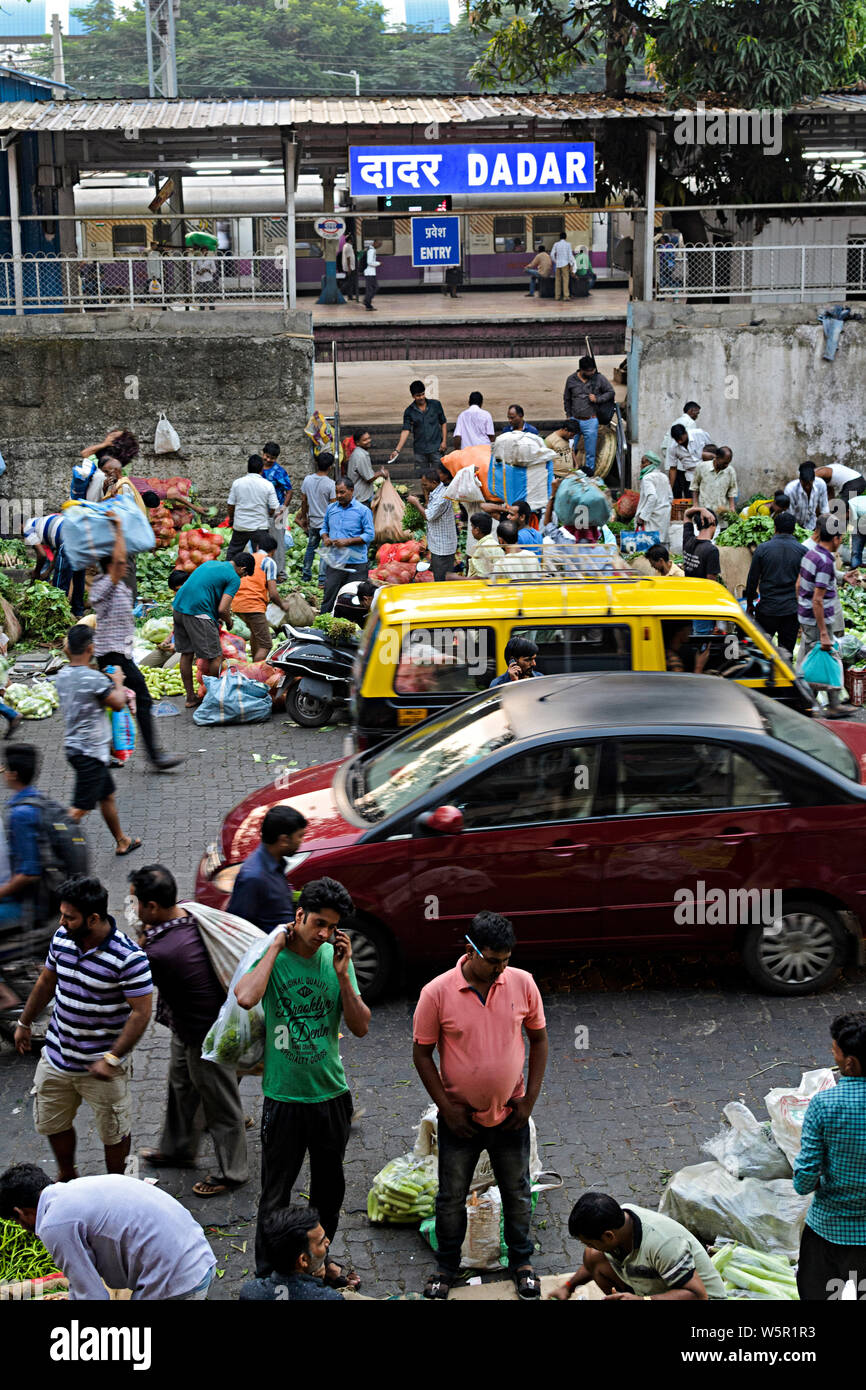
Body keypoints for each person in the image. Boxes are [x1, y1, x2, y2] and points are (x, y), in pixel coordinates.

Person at [234, 877, 370, 1289]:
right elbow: (245, 997)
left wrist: (345, 976)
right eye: (318, 924)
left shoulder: (334, 959)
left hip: (331, 1096)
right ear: (299, 916)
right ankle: (267, 1274)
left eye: (332, 927)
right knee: (275, 1194)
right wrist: (275, 947)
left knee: (329, 1191)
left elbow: (361, 1027)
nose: (324, 934)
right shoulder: (275, 958)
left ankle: (318, 1264)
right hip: (283, 1098)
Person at [413, 910, 548, 1300]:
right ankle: (446, 1266)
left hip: (510, 1115)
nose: (500, 969)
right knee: (451, 1196)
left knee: (518, 1192)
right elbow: (421, 1054)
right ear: (469, 949)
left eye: (506, 960)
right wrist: (447, 1109)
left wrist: (529, 1101)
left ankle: (522, 1262)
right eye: (493, 960)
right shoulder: (436, 992)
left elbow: (538, 1040)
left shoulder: (522, 983)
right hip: (461, 1120)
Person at [13, 874, 153, 1180]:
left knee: (113, 1132)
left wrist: (112, 1058)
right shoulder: (63, 939)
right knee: (53, 1122)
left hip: (103, 1066)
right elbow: (47, 981)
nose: (62, 922)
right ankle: (67, 1175)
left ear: (93, 918)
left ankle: (114, 1185)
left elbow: (142, 1013)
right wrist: (24, 1022)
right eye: (62, 914)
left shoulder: (129, 958)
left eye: (69, 917)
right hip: (57, 1057)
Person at [131, 864, 249, 1199]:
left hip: (206, 1036)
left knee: (220, 1104)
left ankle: (234, 1172)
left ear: (152, 907)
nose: (134, 910)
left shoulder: (162, 951)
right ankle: (178, 1149)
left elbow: (129, 980)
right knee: (181, 1087)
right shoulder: (184, 914)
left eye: (136, 903)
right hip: (185, 1027)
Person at [0, 1165, 215, 1301]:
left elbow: (92, 1295)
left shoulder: (53, 1224)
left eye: (16, 1221)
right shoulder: (76, 1188)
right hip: (200, 1259)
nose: (22, 1228)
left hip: (180, 1282)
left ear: (20, 1212)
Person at [90, 511, 182, 771]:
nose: (126, 566)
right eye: (121, 564)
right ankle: (153, 755)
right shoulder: (102, 585)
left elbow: (121, 559)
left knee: (113, 702)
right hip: (111, 656)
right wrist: (118, 527)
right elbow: (117, 558)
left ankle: (110, 752)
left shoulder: (118, 586)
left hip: (121, 654)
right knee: (138, 696)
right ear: (111, 566)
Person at [793, 1012, 866, 1301]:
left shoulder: (825, 1105)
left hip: (828, 1232)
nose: (831, 1053)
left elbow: (804, 1181)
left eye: (834, 1049)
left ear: (850, 1062)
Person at [54, 625, 140, 855]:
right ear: (91, 648)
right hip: (89, 752)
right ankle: (48, 841)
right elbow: (118, 703)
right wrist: (119, 681)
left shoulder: (62, 676)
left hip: (79, 747)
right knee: (79, 809)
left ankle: (122, 841)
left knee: (107, 796)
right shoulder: (93, 679)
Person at [551, 1192, 726, 1301]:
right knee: (593, 1257)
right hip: (660, 1286)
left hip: (700, 1296)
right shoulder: (619, 1221)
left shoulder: (664, 1244)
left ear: (608, 1236)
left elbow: (698, 1295)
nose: (588, 1246)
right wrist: (568, 1285)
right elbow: (591, 1264)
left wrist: (645, 1300)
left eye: (589, 1242)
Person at [171, 553, 254, 708]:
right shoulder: (234, 578)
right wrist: (229, 622)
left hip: (178, 608)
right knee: (215, 657)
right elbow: (223, 609)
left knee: (187, 654)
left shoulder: (210, 563)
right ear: (242, 568)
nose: (243, 577)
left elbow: (205, 591)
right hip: (198, 613)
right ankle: (215, 699)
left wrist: (216, 615)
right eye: (245, 574)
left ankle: (190, 698)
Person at [227, 804, 307, 933]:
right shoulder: (253, 877)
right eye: (300, 836)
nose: (301, 841)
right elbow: (239, 928)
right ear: (284, 840)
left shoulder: (276, 864)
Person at [240, 1205, 344, 1302]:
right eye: (321, 1242)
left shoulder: (250, 1292)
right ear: (303, 1260)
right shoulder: (330, 1297)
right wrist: (317, 1282)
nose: (328, 1242)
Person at [797, 513, 845, 715]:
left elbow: (799, 584)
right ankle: (807, 705)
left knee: (819, 659)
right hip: (819, 621)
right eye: (841, 537)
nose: (841, 541)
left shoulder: (812, 553)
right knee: (817, 662)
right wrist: (824, 631)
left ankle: (831, 703)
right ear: (835, 538)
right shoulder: (825, 561)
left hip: (808, 618)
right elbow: (818, 599)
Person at [744, 511, 807, 656]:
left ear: (775, 528)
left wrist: (749, 604)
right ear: (793, 529)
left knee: (762, 653)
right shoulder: (803, 551)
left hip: (767, 610)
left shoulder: (762, 549)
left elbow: (752, 580)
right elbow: (806, 585)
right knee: (786, 654)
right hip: (791, 612)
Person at [319, 477, 375, 613]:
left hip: (356, 562)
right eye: (337, 492)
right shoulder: (331, 509)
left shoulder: (363, 510)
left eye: (342, 492)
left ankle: (355, 627)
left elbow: (369, 535)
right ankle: (323, 623)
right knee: (329, 595)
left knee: (355, 598)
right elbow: (324, 528)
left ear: (351, 491)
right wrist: (325, 537)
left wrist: (347, 541)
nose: (338, 496)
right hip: (335, 562)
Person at [231, 535, 289, 662]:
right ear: (273, 551)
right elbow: (273, 593)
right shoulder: (268, 562)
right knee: (266, 644)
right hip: (253, 606)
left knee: (255, 634)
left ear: (257, 547)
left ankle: (255, 663)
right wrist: (282, 605)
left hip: (237, 604)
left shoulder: (248, 558)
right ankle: (254, 671)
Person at [23, 512, 85, 620]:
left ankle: (60, 616)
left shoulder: (27, 527)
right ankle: (78, 612)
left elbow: (41, 555)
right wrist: (47, 572)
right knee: (79, 577)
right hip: (83, 538)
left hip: (70, 540)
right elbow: (56, 553)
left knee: (59, 585)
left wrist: (36, 572)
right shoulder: (43, 523)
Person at [682, 507, 722, 674]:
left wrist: (700, 510)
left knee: (693, 642)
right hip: (702, 606)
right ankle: (697, 676)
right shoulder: (711, 550)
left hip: (688, 602)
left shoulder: (688, 541)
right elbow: (710, 585)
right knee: (703, 645)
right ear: (713, 523)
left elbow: (686, 514)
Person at [562, 357, 615, 476]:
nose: (591, 373)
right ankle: (569, 472)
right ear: (581, 370)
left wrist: (598, 399)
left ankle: (589, 474)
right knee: (570, 448)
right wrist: (568, 416)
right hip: (575, 420)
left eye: (593, 370)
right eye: (589, 371)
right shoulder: (571, 380)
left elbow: (611, 392)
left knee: (590, 451)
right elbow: (567, 398)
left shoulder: (599, 378)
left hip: (590, 420)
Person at [407, 466, 458, 581]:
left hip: (443, 547)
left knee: (442, 579)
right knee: (439, 576)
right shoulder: (436, 492)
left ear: (434, 482)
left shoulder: (443, 497)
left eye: (425, 485)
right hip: (437, 545)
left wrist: (416, 503)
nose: (423, 487)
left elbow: (429, 516)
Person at [226, 455, 279, 561]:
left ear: (248, 468)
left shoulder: (237, 483)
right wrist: (269, 514)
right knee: (261, 557)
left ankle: (227, 575)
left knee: (232, 554)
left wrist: (232, 518)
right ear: (261, 469)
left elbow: (231, 504)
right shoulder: (267, 485)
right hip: (260, 527)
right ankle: (259, 576)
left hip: (241, 525)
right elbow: (274, 506)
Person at [391, 381, 448, 474]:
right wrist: (397, 450)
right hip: (420, 451)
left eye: (422, 394)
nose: (421, 397)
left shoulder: (436, 405)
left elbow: (443, 422)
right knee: (423, 477)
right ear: (413, 396)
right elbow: (406, 430)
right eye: (418, 395)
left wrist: (444, 441)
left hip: (436, 448)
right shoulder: (409, 411)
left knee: (440, 475)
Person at [299, 452, 337, 583]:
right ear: (330, 467)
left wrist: (304, 517)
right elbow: (333, 506)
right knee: (325, 550)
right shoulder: (331, 484)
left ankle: (306, 575)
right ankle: (322, 579)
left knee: (311, 548)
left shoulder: (307, 480)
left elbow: (304, 501)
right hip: (326, 523)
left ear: (317, 464)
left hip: (313, 521)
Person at [262, 442, 292, 581]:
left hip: (278, 512)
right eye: (267, 456)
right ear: (263, 453)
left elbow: (289, 491)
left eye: (272, 458)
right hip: (261, 511)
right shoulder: (258, 469)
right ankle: (263, 571)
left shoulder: (279, 471)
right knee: (262, 542)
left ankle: (280, 573)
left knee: (278, 542)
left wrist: (283, 509)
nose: (268, 460)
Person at [635, 452, 673, 543]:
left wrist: (643, 516)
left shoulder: (647, 478)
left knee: (650, 542)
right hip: (663, 514)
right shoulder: (664, 476)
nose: (641, 466)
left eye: (643, 463)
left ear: (650, 463)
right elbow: (670, 497)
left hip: (652, 516)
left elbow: (652, 497)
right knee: (661, 541)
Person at [691, 445, 738, 515]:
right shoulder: (702, 467)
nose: (726, 465)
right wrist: (695, 505)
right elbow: (695, 487)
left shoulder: (730, 471)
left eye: (728, 463)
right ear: (717, 458)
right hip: (704, 511)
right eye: (725, 463)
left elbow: (732, 490)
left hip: (722, 512)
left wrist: (732, 507)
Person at [347, 428, 388, 505]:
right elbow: (369, 478)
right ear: (357, 443)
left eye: (369, 438)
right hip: (361, 498)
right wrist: (381, 473)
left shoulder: (360, 453)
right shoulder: (360, 456)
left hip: (361, 495)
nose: (368, 441)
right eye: (365, 440)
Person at [785, 461, 830, 532]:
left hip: (811, 524)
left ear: (813, 480)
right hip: (795, 526)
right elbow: (789, 513)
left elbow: (824, 507)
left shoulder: (821, 484)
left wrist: (824, 526)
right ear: (800, 480)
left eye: (809, 483)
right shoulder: (790, 489)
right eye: (804, 484)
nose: (807, 487)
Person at [667, 423, 702, 500]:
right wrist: (669, 490)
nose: (679, 442)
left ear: (685, 433)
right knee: (691, 500)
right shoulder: (673, 447)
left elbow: (711, 448)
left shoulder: (699, 434)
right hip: (691, 475)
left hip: (705, 470)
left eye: (681, 438)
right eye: (677, 440)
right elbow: (673, 468)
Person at [466, 512, 502, 579]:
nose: (471, 529)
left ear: (477, 530)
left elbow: (481, 577)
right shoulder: (495, 544)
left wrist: (459, 578)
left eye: (472, 527)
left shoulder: (481, 549)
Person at [550, 233, 575, 300]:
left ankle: (557, 296)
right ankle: (566, 296)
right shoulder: (568, 244)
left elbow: (552, 254)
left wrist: (555, 261)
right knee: (565, 280)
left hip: (558, 264)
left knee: (557, 280)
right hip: (565, 263)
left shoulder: (556, 244)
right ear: (565, 237)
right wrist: (571, 264)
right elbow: (570, 255)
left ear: (559, 237)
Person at [362, 239, 381, 310]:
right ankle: (367, 303)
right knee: (372, 288)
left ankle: (367, 301)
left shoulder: (371, 250)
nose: (379, 245)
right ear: (374, 243)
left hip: (371, 272)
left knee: (373, 288)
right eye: (379, 244)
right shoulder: (371, 251)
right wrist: (378, 263)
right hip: (369, 272)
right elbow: (369, 262)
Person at [341, 237, 357, 302]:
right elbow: (348, 258)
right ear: (350, 240)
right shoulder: (348, 247)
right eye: (352, 240)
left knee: (350, 282)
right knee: (349, 282)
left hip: (349, 267)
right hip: (350, 267)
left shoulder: (346, 246)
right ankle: (340, 291)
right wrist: (349, 268)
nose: (353, 241)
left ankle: (350, 296)